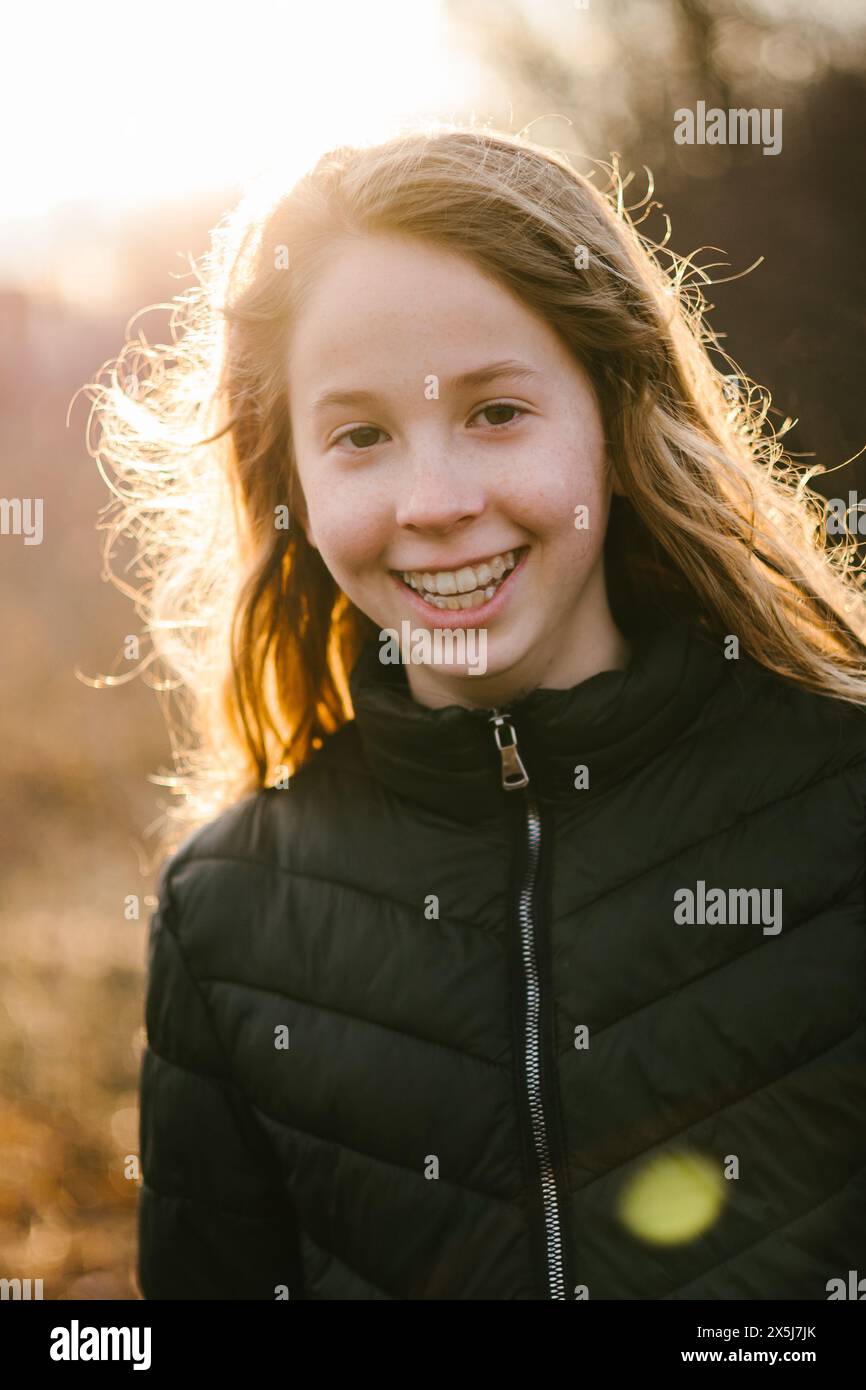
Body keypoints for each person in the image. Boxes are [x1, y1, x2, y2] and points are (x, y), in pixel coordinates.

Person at [86, 126, 866, 1299]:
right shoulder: (227, 913)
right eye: (359, 436)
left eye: (497, 412)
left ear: (611, 417)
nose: (436, 502)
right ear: (289, 478)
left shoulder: (841, 809)